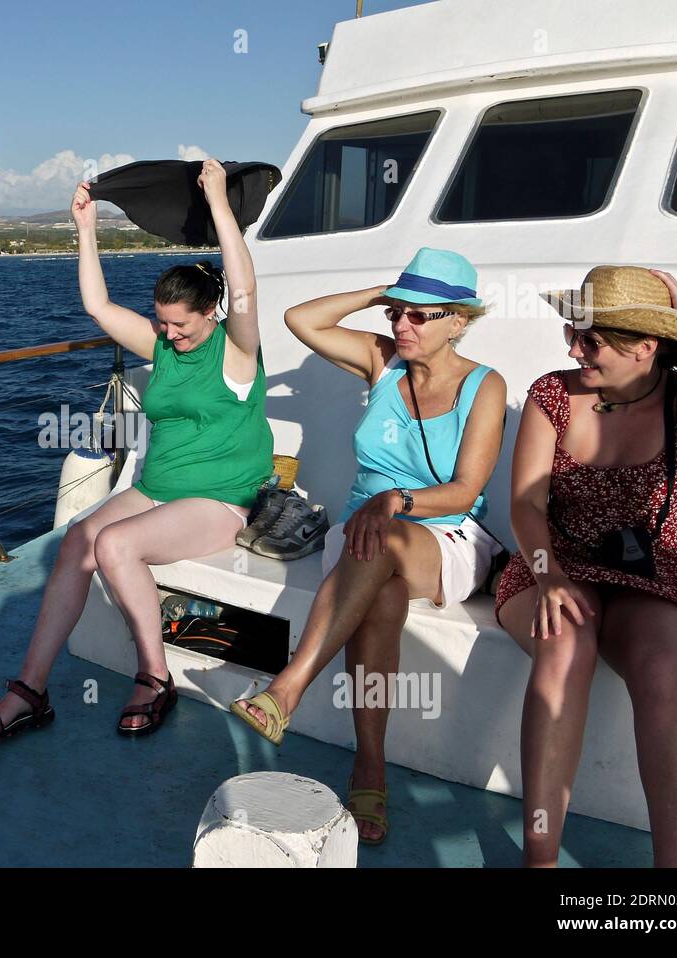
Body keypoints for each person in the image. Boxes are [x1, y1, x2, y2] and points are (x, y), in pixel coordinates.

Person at [0, 159, 273, 740]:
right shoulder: (165, 351)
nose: (169, 334)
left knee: (115, 544)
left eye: (181, 325)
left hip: (221, 498)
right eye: (161, 324)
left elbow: (247, 289)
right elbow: (99, 309)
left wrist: (218, 205)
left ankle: (155, 677)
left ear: (213, 313)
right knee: (75, 541)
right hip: (158, 488)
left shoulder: (236, 355)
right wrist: (86, 228)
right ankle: (31, 688)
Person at [231, 248, 507, 844]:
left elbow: (466, 488)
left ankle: (288, 686)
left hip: (446, 535)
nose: (403, 326)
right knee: (380, 599)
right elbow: (301, 321)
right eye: (398, 313)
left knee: (381, 539)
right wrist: (386, 291)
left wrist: (396, 502)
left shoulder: (484, 385)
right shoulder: (383, 361)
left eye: (422, 316)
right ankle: (370, 768)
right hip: (363, 539)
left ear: (459, 320)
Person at [494, 265, 677, 867]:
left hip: (651, 573)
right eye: (574, 335)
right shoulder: (553, 392)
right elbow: (526, 501)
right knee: (565, 643)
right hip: (553, 560)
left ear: (646, 348)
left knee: (666, 675)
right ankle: (541, 857)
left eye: (591, 340)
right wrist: (549, 574)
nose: (574, 349)